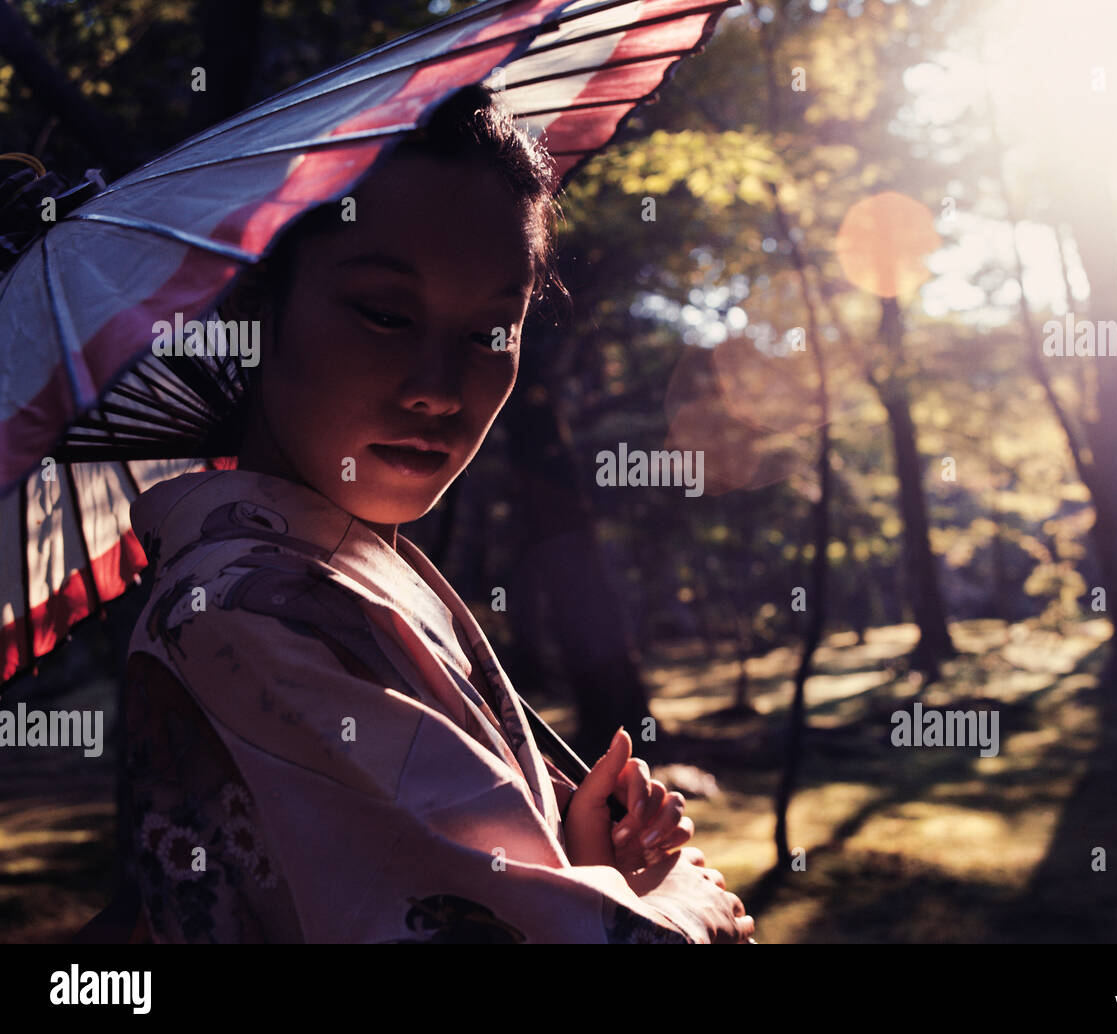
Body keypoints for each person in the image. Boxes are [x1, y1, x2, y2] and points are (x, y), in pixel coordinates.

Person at [118, 82, 755, 943]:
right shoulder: (247, 610)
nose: (438, 389)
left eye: (493, 332)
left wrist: (571, 859)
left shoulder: (321, 573)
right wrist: (683, 908)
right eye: (385, 314)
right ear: (255, 306)